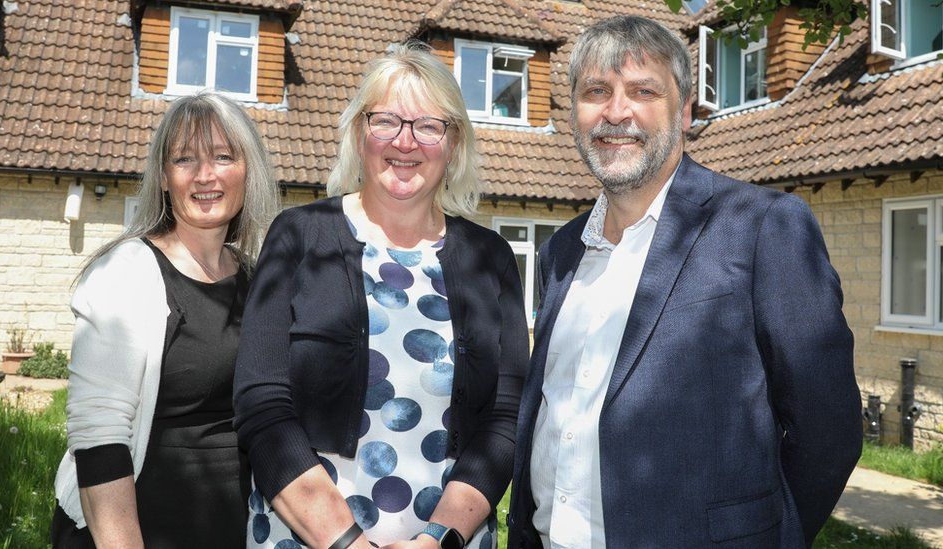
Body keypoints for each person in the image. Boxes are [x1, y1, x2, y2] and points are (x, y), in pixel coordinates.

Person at [507, 15, 862, 548]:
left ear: (685, 112)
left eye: (643, 91)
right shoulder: (560, 251)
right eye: (596, 91)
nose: (616, 111)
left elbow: (828, 431)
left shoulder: (763, 226)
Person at [233, 42, 528, 549]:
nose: (406, 142)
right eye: (386, 121)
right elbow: (261, 404)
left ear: (453, 143)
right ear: (358, 132)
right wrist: (346, 542)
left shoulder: (490, 258)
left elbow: (505, 415)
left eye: (429, 126)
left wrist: (439, 537)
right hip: (307, 536)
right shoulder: (299, 237)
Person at [51, 92, 279, 548]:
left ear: (247, 169)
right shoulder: (127, 271)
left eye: (222, 156)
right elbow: (99, 437)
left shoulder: (258, 279)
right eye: (183, 159)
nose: (204, 175)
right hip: (133, 531)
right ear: (162, 176)